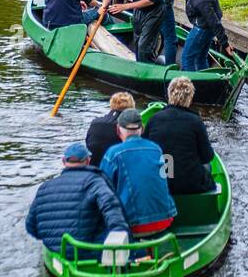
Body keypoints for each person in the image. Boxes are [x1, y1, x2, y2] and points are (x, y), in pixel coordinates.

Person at [25, 141, 129, 257]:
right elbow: (110, 206)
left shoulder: (44, 188)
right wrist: (119, 233)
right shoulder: (94, 182)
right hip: (87, 251)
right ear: (88, 161)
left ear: (64, 161)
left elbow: (31, 227)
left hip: (57, 252)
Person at [100, 107, 176, 238]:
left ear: (118, 130)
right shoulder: (157, 149)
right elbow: (168, 177)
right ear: (142, 129)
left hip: (132, 226)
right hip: (165, 220)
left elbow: (102, 187)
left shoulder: (113, 153)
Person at [143, 77, 216, 195]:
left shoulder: (154, 119)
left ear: (169, 94)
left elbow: (145, 151)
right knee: (208, 167)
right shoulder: (196, 121)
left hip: (161, 182)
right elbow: (207, 157)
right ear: (190, 97)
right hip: (191, 184)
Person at [170, 0, 234, 72]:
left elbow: (214, 23)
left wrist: (225, 44)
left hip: (202, 29)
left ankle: (189, 84)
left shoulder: (201, 1)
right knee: (200, 57)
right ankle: (204, 82)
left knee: (187, 58)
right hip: (205, 25)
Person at [85, 92, 135, 169]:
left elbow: (88, 143)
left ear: (111, 104)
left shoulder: (95, 122)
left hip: (95, 165)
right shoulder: (129, 127)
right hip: (119, 166)